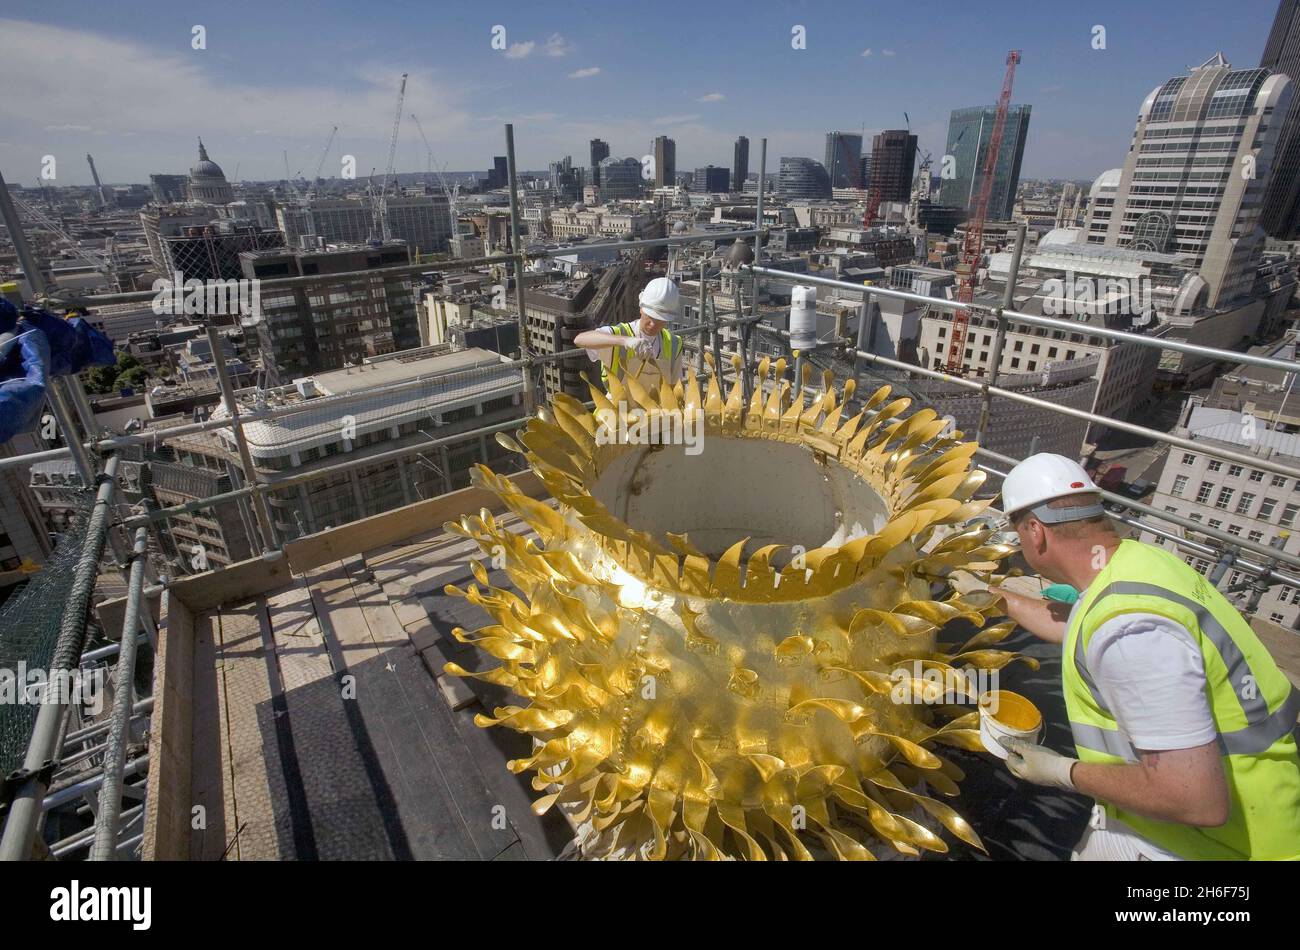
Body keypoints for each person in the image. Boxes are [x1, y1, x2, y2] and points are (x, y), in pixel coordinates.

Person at [990, 452, 1300, 860]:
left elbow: (1193, 800)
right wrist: (996, 599)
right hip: (1255, 810)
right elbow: (1086, 627)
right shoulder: (1139, 566)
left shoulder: (1129, 630)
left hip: (1202, 846)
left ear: (1035, 532)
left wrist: (1061, 772)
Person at [574, 277, 684, 390]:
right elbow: (580, 339)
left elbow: (676, 387)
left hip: (657, 406)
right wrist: (625, 341)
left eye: (660, 320)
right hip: (619, 405)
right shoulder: (619, 333)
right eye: (650, 317)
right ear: (641, 308)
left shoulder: (674, 344)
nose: (653, 324)